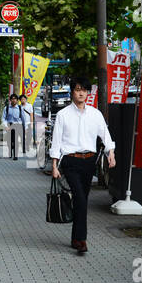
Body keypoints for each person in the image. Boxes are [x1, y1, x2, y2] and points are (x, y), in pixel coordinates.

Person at [50, 78, 116, 254]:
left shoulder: (95, 114)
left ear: (88, 93)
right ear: (72, 92)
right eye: (78, 90)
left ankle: (75, 237)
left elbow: (105, 134)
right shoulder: (63, 114)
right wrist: (54, 165)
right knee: (80, 198)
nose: (81, 93)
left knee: (82, 200)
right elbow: (56, 141)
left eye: (84, 90)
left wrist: (111, 153)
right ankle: (82, 240)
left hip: (89, 162)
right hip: (70, 161)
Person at [3, 94, 25, 160]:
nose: (13, 100)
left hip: (17, 125)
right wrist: (6, 126)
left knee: (15, 140)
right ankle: (10, 151)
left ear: (17, 100)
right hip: (9, 125)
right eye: (12, 99)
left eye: (15, 99)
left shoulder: (20, 108)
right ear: (10, 100)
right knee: (9, 140)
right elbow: (3, 118)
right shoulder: (6, 108)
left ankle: (15, 155)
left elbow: (23, 118)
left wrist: (25, 127)